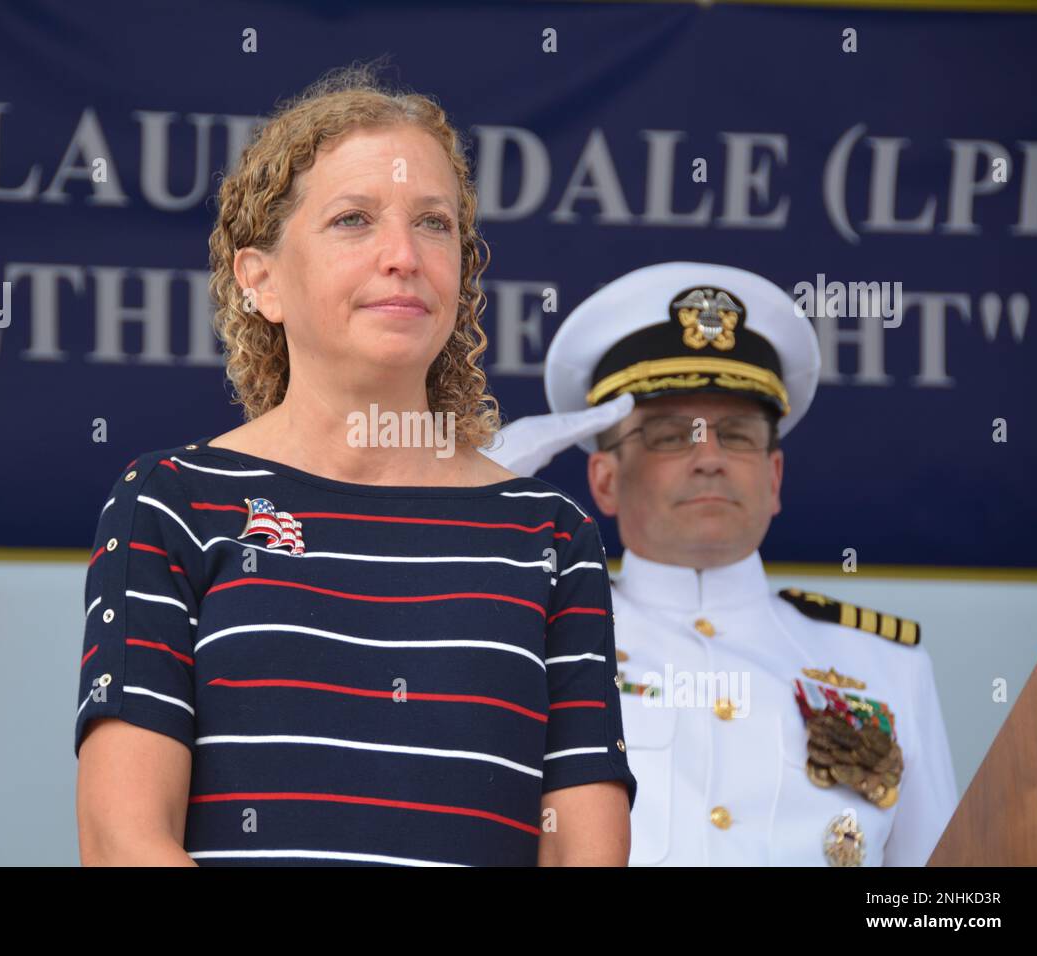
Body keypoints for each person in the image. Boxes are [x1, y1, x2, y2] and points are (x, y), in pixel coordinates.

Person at [72, 65, 637, 867]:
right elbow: (122, 840)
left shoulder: (549, 535)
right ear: (259, 279)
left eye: (435, 224)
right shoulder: (171, 503)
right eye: (353, 220)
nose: (403, 255)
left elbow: (584, 852)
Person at [482, 261, 958, 866]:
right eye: (670, 435)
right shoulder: (540, 636)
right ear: (604, 480)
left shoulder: (887, 666)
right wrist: (477, 487)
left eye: (735, 434)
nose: (710, 459)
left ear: (774, 476)